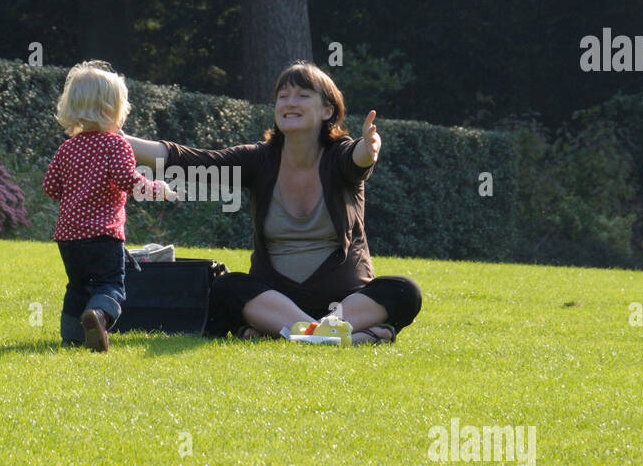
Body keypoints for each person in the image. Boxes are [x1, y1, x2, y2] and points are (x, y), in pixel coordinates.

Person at [123, 61, 421, 344]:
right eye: (283, 96)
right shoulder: (259, 159)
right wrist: (119, 140)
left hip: (344, 302)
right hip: (276, 299)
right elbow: (188, 160)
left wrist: (369, 149)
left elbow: (357, 160)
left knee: (405, 290)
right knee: (226, 287)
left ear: (327, 110)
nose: (290, 102)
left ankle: (304, 331)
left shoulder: (338, 156)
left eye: (303, 95)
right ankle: (339, 334)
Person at [43, 61, 174, 351]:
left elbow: (50, 188)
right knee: (112, 284)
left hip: (68, 238)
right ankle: (99, 316)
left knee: (76, 287)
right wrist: (159, 189)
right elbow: (129, 181)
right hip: (104, 235)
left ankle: (71, 337)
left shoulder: (67, 148)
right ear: (112, 108)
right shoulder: (116, 145)